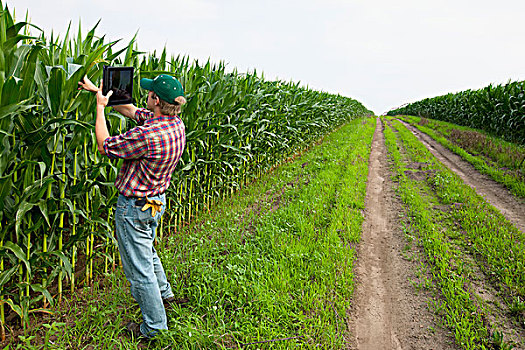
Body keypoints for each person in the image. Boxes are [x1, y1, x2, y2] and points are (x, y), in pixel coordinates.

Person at [78, 73, 187, 340]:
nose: (146, 95)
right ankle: (166, 296)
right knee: (147, 251)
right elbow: (131, 110)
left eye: (149, 93)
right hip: (154, 202)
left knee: (139, 271)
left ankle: (154, 328)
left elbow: (105, 145)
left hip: (134, 208)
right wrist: (99, 92)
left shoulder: (146, 135)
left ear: (156, 100)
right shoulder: (175, 125)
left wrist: (100, 108)